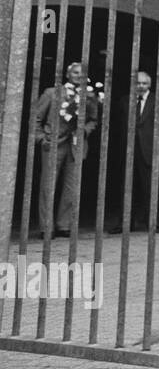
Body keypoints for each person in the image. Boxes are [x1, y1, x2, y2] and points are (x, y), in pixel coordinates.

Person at [33, 61, 101, 238]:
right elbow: (36, 118)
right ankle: (46, 227)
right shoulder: (52, 93)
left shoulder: (90, 96)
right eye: (76, 73)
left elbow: (93, 119)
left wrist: (85, 130)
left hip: (76, 144)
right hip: (52, 143)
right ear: (67, 75)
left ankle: (64, 224)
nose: (80, 76)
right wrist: (41, 138)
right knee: (48, 185)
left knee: (72, 186)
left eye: (83, 73)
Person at [119, 68, 159, 231]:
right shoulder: (125, 101)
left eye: (144, 83)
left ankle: (154, 223)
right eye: (138, 83)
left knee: (151, 188)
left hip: (150, 150)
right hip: (129, 150)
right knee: (127, 188)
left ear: (150, 85)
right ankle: (125, 223)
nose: (141, 86)